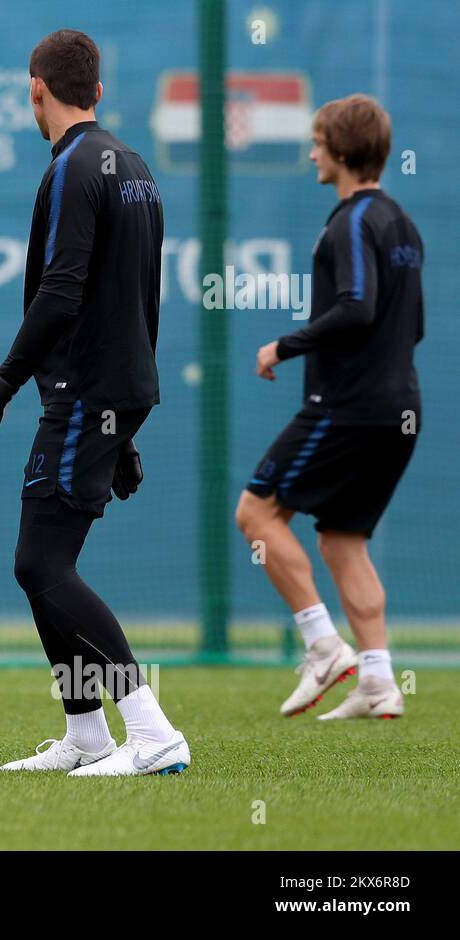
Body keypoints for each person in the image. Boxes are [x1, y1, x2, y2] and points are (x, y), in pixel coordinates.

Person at [0, 29, 189, 776]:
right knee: (43, 563)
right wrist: (125, 424)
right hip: (115, 392)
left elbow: (61, 293)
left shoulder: (71, 168)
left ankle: (150, 731)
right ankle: (87, 733)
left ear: (36, 89)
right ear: (98, 88)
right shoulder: (137, 168)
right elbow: (141, 298)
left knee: (42, 563)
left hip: (86, 391)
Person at [237, 94, 422, 720]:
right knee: (343, 541)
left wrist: (283, 346)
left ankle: (322, 646)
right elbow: (411, 325)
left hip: (347, 409)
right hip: (400, 410)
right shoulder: (402, 223)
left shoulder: (349, 222)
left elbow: (357, 307)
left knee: (256, 513)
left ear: (340, 152)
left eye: (318, 142)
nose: (312, 151)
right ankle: (377, 681)